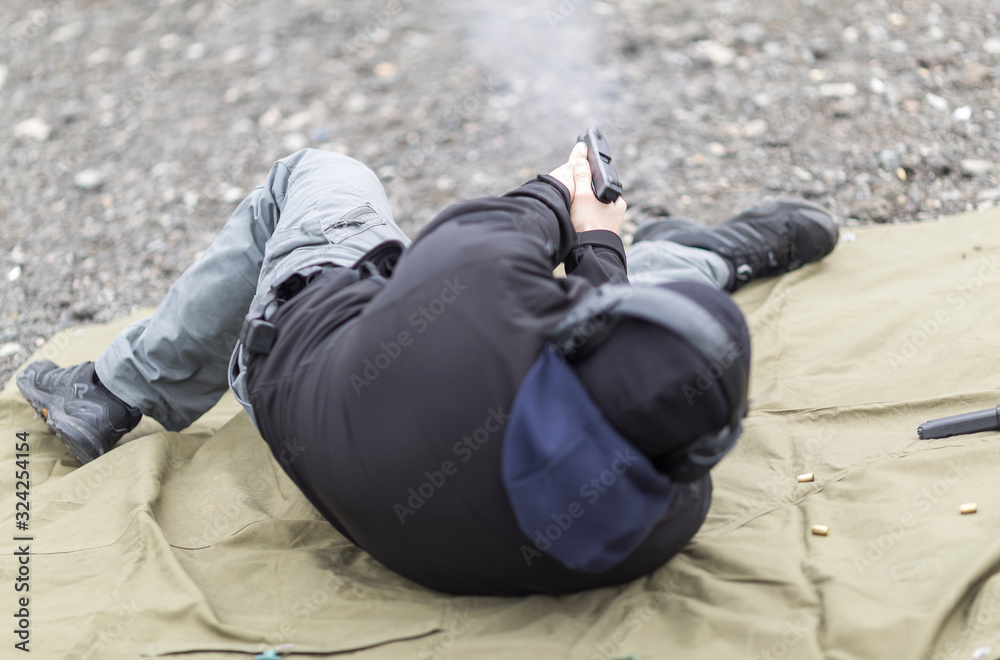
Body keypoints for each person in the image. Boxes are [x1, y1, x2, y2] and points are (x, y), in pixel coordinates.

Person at [17, 143, 838, 595]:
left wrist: (577, 205)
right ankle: (696, 259)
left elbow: (506, 221)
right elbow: (598, 380)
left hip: (290, 363)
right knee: (651, 287)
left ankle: (115, 389)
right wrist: (607, 259)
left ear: (577, 332)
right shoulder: (664, 520)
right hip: (385, 516)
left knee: (316, 176)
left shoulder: (473, 295)